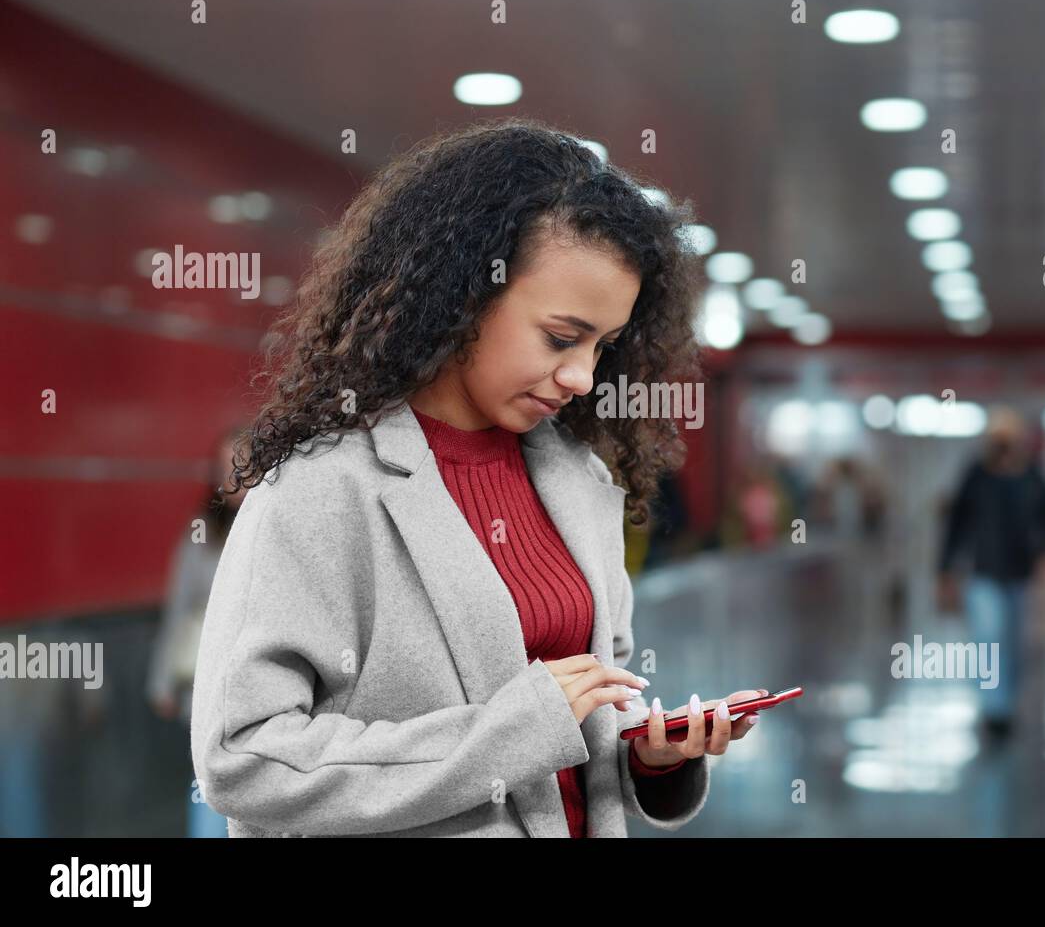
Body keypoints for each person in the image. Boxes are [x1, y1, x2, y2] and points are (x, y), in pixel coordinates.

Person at [190, 118, 765, 838]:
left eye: (603, 345)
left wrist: (650, 756)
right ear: (463, 295)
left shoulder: (578, 482)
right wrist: (513, 729)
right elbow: (244, 759)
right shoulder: (321, 490)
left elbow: (582, 717)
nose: (583, 376)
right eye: (560, 337)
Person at [937, 406, 1045, 739]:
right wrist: (946, 568)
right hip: (983, 573)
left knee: (1013, 643)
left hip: (1019, 574)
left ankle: (1006, 701)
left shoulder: (1032, 475)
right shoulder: (976, 474)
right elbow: (957, 522)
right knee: (988, 639)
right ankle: (995, 710)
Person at [147, 424, 247, 837]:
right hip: (206, 685)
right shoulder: (201, 537)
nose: (236, 477)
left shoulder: (279, 526)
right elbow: (179, 608)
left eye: (243, 465)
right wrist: (161, 683)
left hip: (259, 685)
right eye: (226, 467)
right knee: (208, 788)